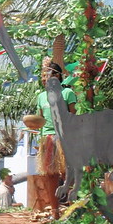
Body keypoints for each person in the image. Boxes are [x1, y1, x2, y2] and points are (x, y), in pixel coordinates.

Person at [30, 58, 77, 200]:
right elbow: (40, 119)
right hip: (47, 138)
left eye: (47, 75)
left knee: (66, 172)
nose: (44, 79)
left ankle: (71, 207)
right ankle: (54, 211)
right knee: (50, 174)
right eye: (43, 76)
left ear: (57, 76)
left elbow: (73, 115)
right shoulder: (41, 97)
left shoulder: (68, 93)